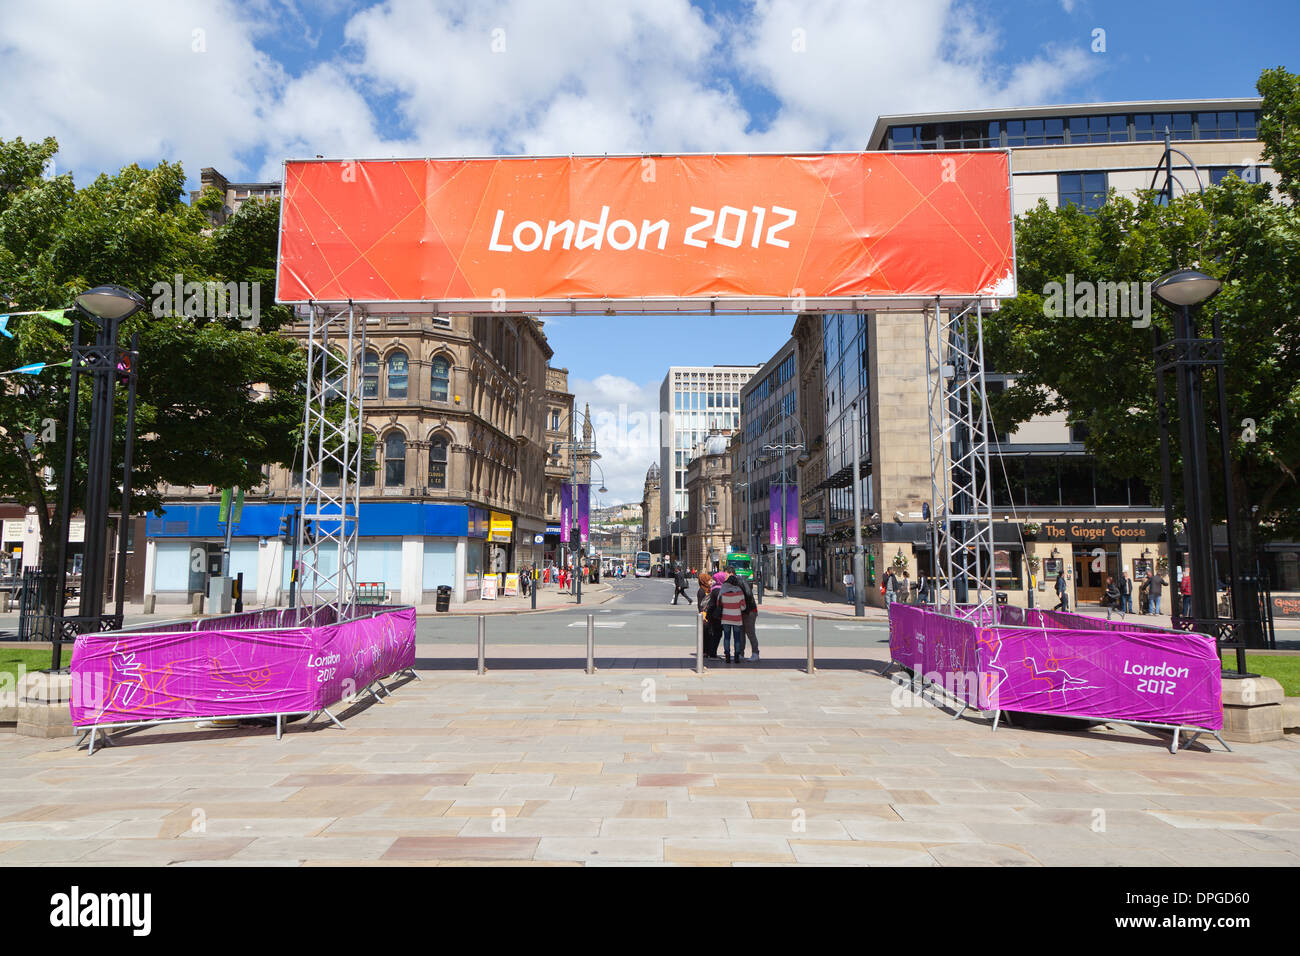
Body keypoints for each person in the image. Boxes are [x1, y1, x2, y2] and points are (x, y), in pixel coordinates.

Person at [717, 573, 747, 664]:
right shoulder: (739, 592)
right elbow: (743, 607)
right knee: (737, 638)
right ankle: (737, 655)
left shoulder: (723, 591)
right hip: (736, 618)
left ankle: (727, 656)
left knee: (727, 637)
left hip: (725, 617)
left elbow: (719, 604)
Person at [697, 570, 721, 660]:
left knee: (709, 634)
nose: (711, 582)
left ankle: (708, 651)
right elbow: (700, 605)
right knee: (706, 634)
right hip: (704, 615)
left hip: (709, 614)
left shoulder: (709, 589)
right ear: (704, 581)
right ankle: (705, 652)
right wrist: (702, 616)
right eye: (709, 581)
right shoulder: (701, 591)